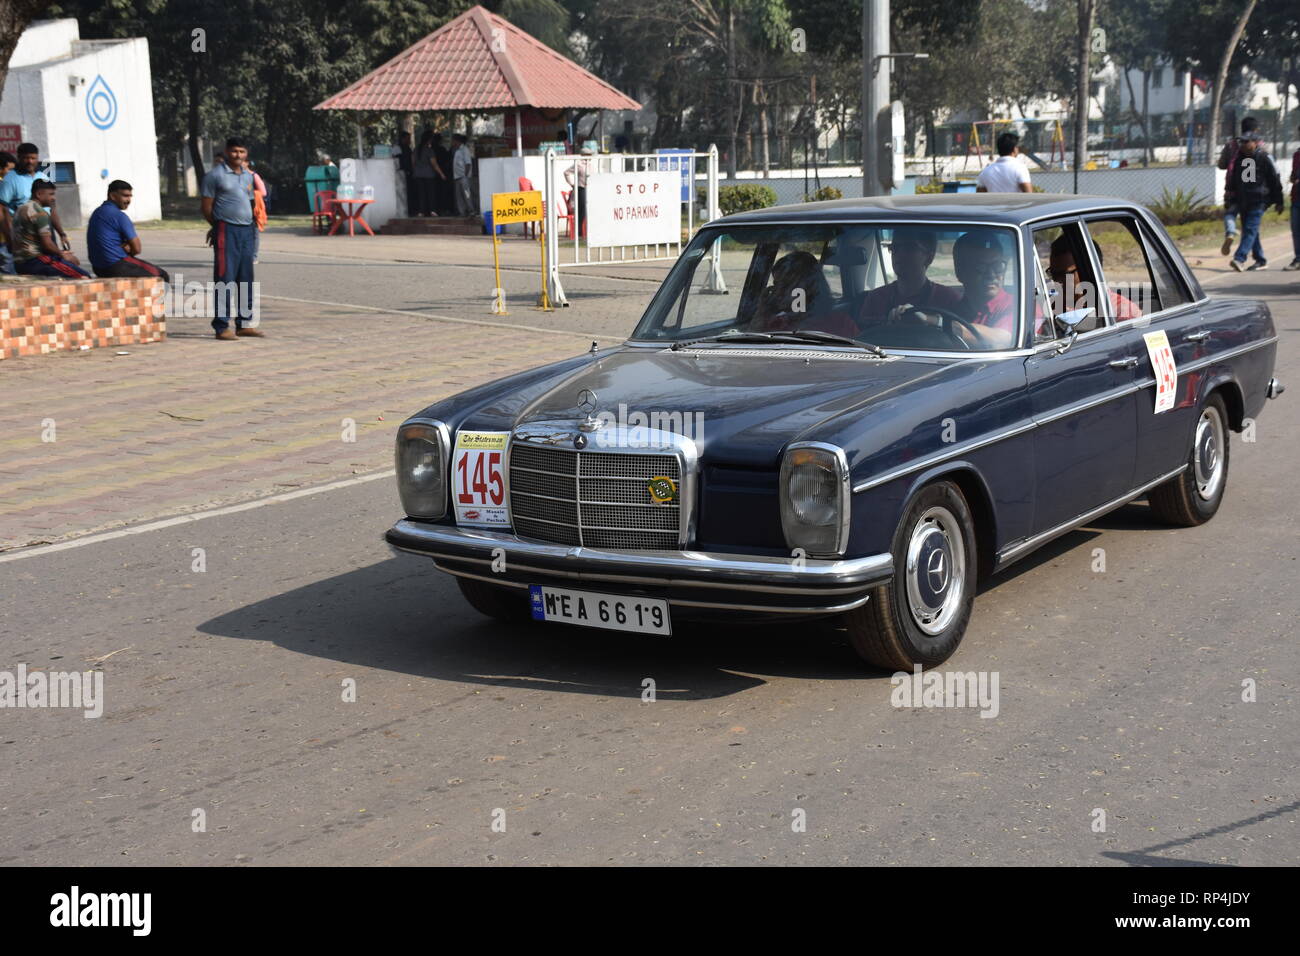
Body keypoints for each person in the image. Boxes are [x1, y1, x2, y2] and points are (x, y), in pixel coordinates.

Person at [201, 136, 260, 339]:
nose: (238, 155)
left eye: (242, 152)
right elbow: (207, 207)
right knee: (225, 277)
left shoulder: (248, 176)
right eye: (234, 151)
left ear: (246, 154)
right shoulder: (215, 176)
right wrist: (217, 226)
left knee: (246, 278)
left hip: (247, 230)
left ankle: (244, 323)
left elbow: (250, 202)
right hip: (227, 230)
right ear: (227, 151)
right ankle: (221, 326)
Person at [858, 228, 962, 325]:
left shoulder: (948, 299)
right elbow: (861, 339)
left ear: (929, 257)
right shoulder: (875, 299)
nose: (900, 254)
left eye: (909, 248)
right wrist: (885, 324)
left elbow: (966, 333)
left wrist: (927, 320)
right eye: (895, 248)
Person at [1, 143, 72, 271]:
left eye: (33, 158)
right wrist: (10, 237)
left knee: (56, 264)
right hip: (26, 231)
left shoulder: (43, 177)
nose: (30, 161)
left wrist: (62, 233)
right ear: (19, 158)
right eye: (26, 158)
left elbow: (52, 208)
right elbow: (3, 210)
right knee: (35, 267)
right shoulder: (10, 179)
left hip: (45, 227)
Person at [86, 180, 170, 281]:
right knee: (162, 276)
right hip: (116, 266)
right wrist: (128, 250)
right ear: (113, 196)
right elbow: (137, 249)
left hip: (98, 268)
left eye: (130, 196)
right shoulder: (119, 216)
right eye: (125, 196)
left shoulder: (97, 212)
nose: (129, 200)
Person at [1047, 235, 1141, 321]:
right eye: (1053, 273)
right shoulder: (1054, 306)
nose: (1057, 280)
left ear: (1089, 271)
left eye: (1065, 274)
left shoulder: (1123, 312)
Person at [1228, 130, 1284, 273]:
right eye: (1242, 141)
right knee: (1251, 230)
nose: (1243, 144)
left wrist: (1279, 201)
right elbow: (1234, 180)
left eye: (1246, 141)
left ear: (1255, 142)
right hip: (1243, 200)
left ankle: (1239, 259)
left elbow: (1274, 180)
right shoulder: (1240, 159)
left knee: (1250, 229)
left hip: (1260, 200)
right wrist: (1231, 198)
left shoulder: (1264, 157)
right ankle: (1260, 260)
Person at [951, 231, 1017, 348]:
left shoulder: (1019, 307)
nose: (991, 274)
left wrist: (940, 323)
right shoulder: (953, 311)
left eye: (997, 266)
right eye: (980, 267)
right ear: (960, 272)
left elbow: (1003, 339)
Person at [11, 180, 90, 278]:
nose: (54, 198)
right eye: (51, 194)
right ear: (39, 194)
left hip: (19, 263)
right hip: (34, 261)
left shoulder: (21, 208)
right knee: (84, 276)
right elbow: (47, 245)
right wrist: (63, 255)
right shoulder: (39, 213)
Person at [1217, 116, 1258, 256]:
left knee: (1230, 214)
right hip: (1251, 191)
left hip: (1232, 189)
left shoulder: (1231, 145)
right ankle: (1256, 256)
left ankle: (1230, 231)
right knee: (1251, 225)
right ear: (1256, 129)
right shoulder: (1259, 144)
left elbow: (1221, 165)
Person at [563, 145, 593, 232]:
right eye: (588, 154)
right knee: (582, 210)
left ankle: (586, 230)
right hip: (581, 188)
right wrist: (572, 184)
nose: (590, 156)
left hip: (590, 188)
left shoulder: (591, 164)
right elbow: (566, 172)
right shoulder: (579, 164)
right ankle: (579, 231)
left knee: (589, 209)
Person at [413, 130, 440, 217]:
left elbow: (412, 162)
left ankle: (421, 211)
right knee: (431, 193)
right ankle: (432, 211)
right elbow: (434, 164)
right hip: (429, 175)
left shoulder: (416, 149)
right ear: (429, 140)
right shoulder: (429, 150)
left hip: (418, 175)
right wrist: (442, 174)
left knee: (421, 194)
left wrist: (416, 171)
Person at [1285, 123, 1300, 272]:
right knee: (1296, 231)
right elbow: (1293, 174)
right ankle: (1298, 258)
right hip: (1296, 198)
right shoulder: (1297, 155)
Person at [452, 134, 475, 218]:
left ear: (457, 141)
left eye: (453, 140)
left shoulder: (464, 150)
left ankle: (471, 211)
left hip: (463, 176)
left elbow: (468, 163)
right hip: (457, 177)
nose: (452, 142)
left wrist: (466, 175)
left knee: (467, 194)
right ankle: (462, 212)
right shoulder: (457, 150)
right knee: (459, 196)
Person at [395, 130, 416, 217]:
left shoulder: (408, 148)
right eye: (408, 139)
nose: (409, 141)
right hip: (402, 173)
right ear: (403, 139)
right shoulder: (398, 148)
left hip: (409, 172)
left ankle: (411, 210)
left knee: (410, 192)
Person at [432, 133, 453, 216]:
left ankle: (437, 209)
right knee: (443, 192)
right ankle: (444, 209)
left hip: (434, 174)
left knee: (436, 192)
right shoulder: (441, 149)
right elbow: (447, 160)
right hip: (442, 173)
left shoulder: (432, 149)